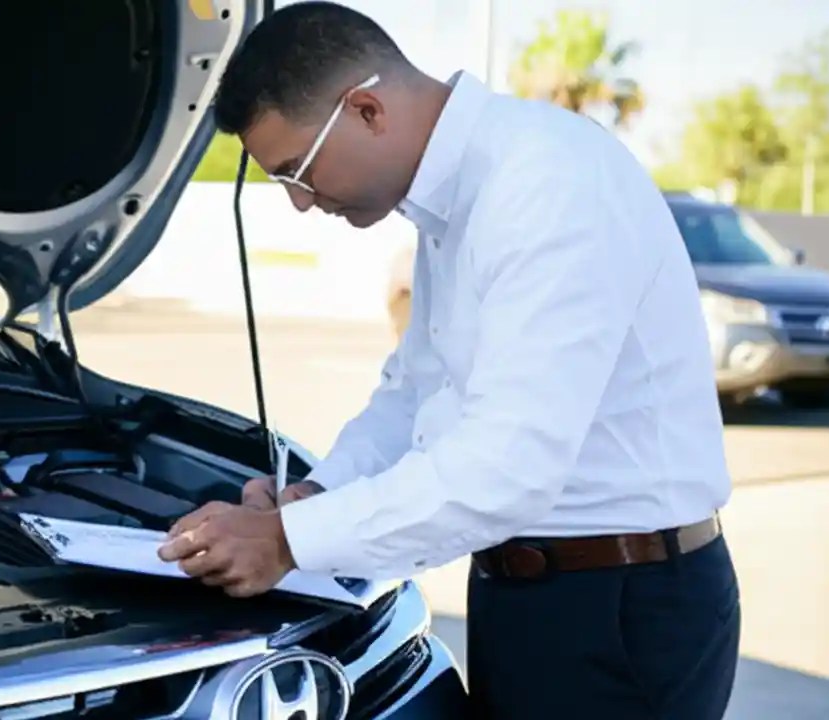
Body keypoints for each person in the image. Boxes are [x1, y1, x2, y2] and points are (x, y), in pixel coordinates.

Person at [155, 2, 741, 718]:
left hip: (619, 608)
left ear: (366, 109)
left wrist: (286, 541)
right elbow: (416, 394)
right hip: (529, 590)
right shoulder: (457, 202)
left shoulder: (545, 184)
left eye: (297, 172)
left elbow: (507, 466)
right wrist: (315, 496)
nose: (302, 205)